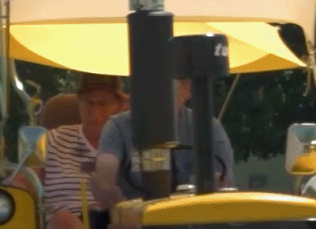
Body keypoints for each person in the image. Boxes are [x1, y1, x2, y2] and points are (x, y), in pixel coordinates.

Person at [13, 72, 126, 229]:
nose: (94, 113)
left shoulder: (133, 142)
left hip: (121, 220)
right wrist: (17, 187)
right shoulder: (49, 139)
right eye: (87, 104)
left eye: (102, 104)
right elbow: (24, 181)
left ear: (119, 105)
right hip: (69, 223)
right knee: (62, 220)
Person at [92, 77, 235, 210]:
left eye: (162, 87)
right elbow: (106, 167)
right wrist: (105, 187)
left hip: (197, 215)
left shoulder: (209, 127)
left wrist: (216, 182)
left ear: (187, 89)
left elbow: (223, 180)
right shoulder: (118, 127)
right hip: (138, 219)